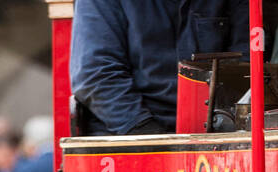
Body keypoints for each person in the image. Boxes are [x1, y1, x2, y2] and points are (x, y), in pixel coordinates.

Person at [71, 0, 249, 136]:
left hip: (214, 134)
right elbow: (95, 75)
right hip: (128, 136)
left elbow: (247, 68)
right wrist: (152, 138)